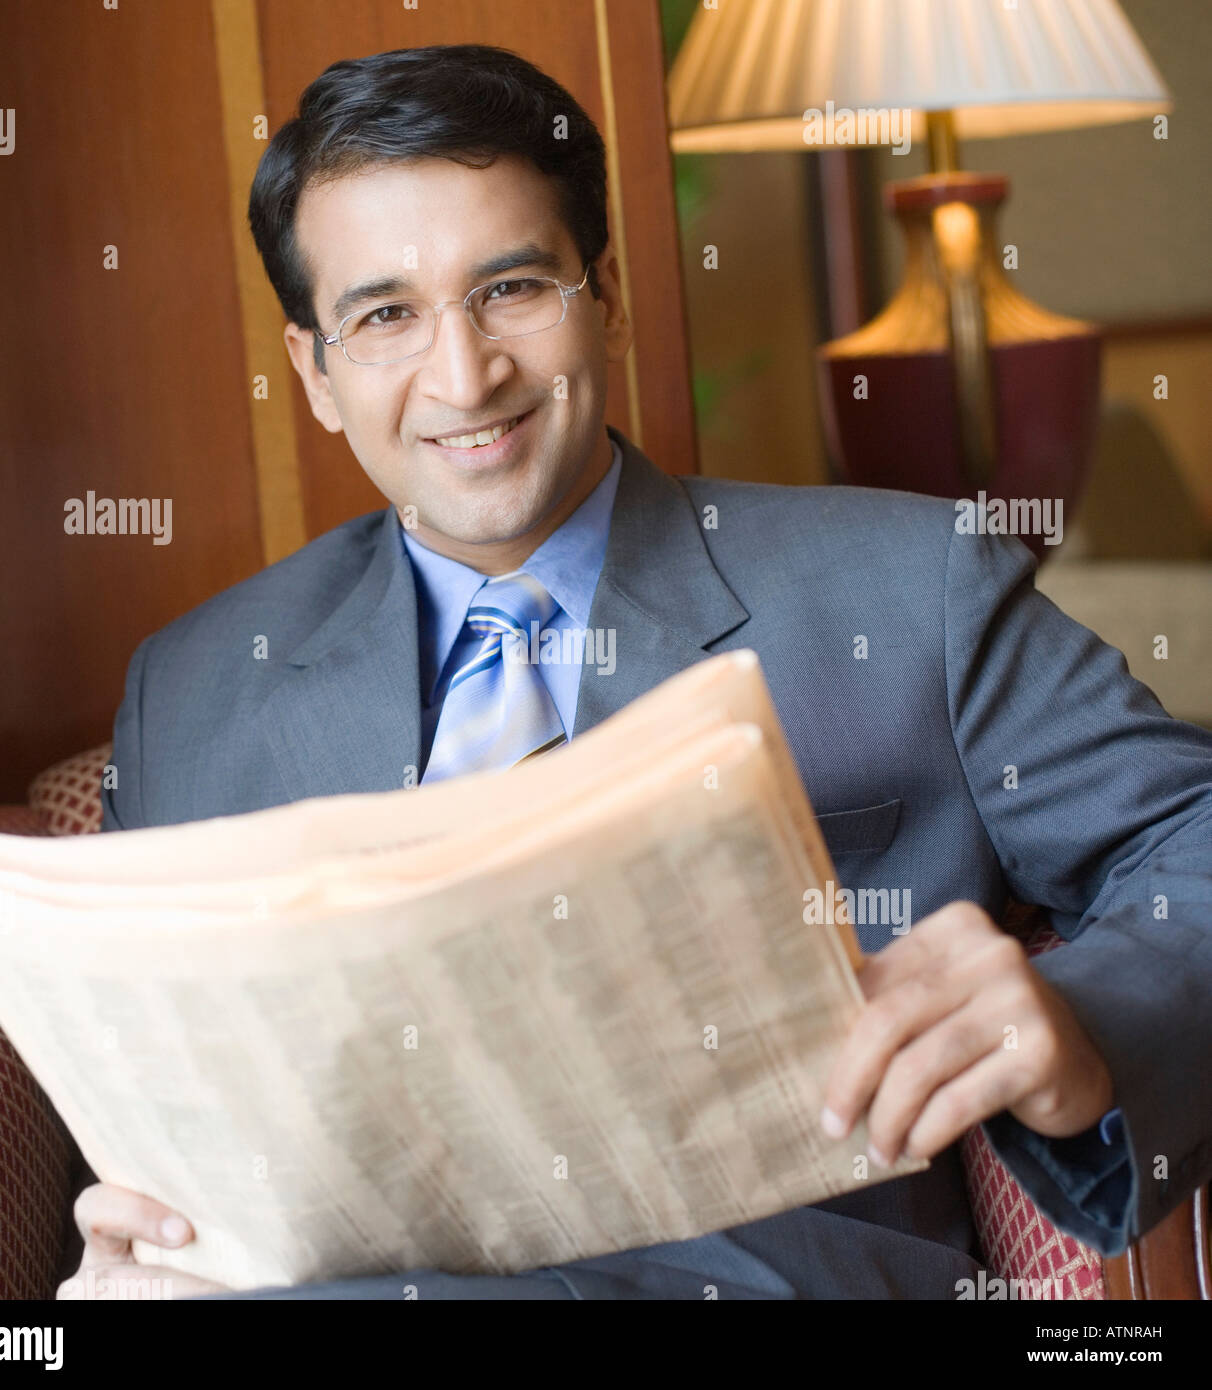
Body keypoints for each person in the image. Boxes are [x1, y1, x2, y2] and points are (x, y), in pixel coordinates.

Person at [63, 45, 1212, 1301]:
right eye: (385, 315)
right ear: (315, 374)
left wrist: (1087, 1024)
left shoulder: (903, 588)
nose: (464, 376)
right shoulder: (191, 693)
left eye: (510, 288)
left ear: (603, 295)